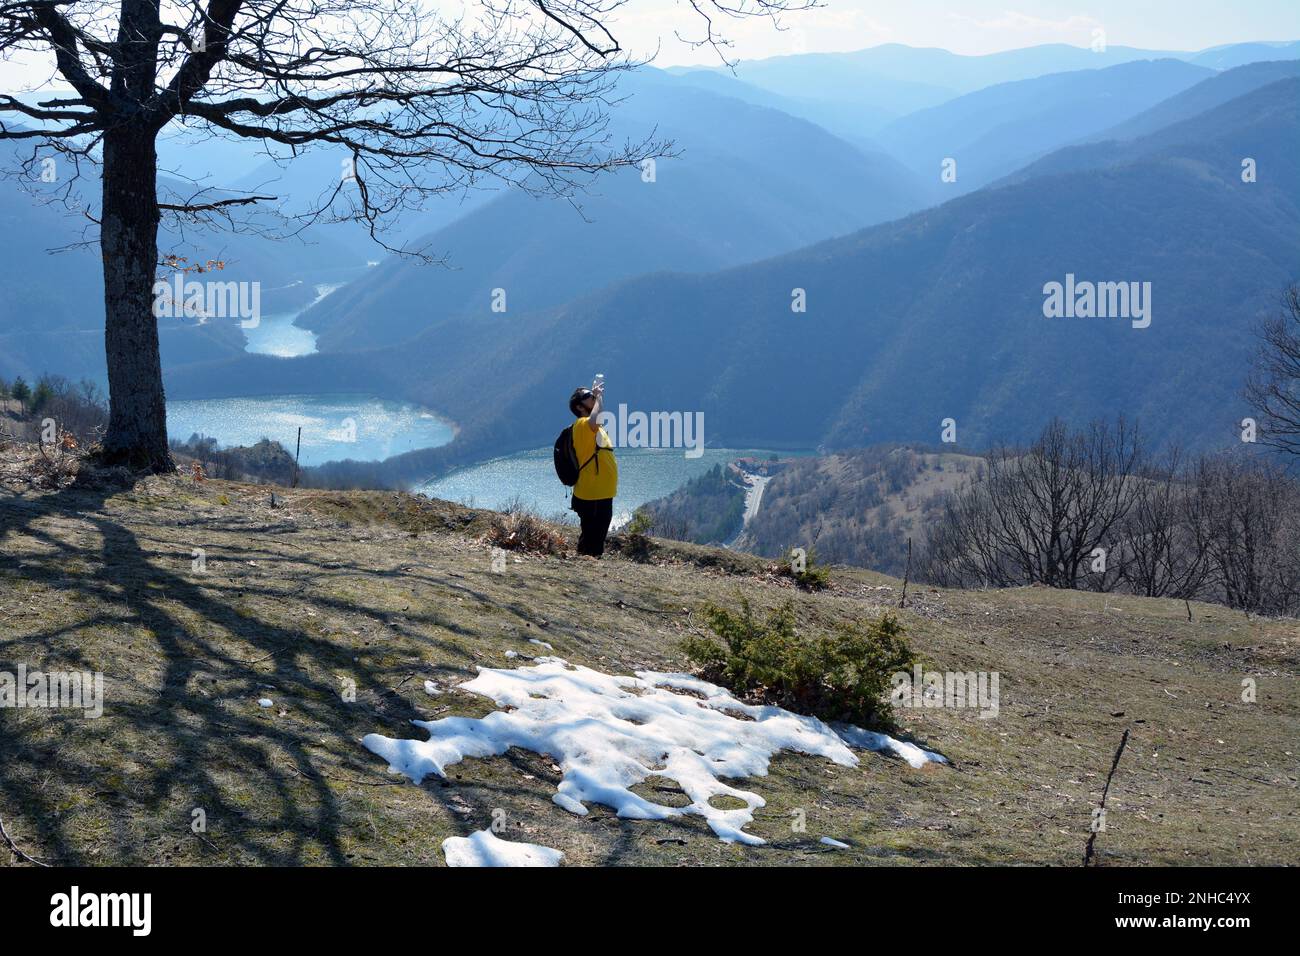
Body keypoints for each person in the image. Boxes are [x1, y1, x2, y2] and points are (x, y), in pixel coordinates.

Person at [568, 382, 618, 557]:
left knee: (596, 535)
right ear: (580, 407)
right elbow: (596, 418)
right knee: (592, 536)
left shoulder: (594, 428)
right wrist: (598, 398)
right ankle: (587, 566)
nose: (591, 396)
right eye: (587, 395)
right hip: (592, 492)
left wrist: (597, 398)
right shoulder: (582, 425)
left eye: (591, 394)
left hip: (601, 492)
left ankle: (587, 564)